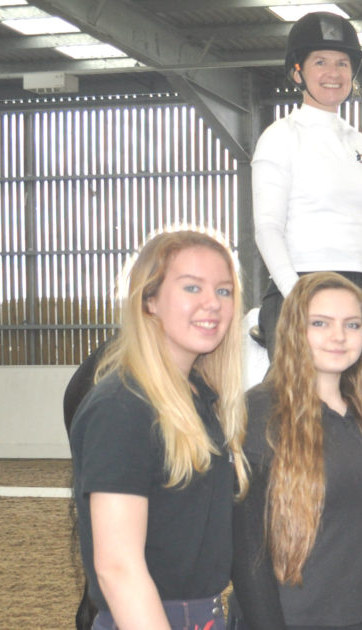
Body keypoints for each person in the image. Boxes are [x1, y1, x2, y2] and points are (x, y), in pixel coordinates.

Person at [68, 229, 248, 630]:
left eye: (223, 291)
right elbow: (118, 568)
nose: (212, 304)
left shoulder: (200, 400)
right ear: (149, 301)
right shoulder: (123, 408)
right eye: (192, 287)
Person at [233, 272, 362, 630]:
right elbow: (247, 555)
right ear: (294, 331)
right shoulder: (260, 415)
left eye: (352, 324)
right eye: (320, 323)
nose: (339, 336)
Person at [253, 11, 362, 354]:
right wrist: (296, 294)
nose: (333, 73)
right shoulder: (280, 137)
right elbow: (267, 228)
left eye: (342, 63)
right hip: (300, 287)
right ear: (297, 71)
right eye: (320, 62)